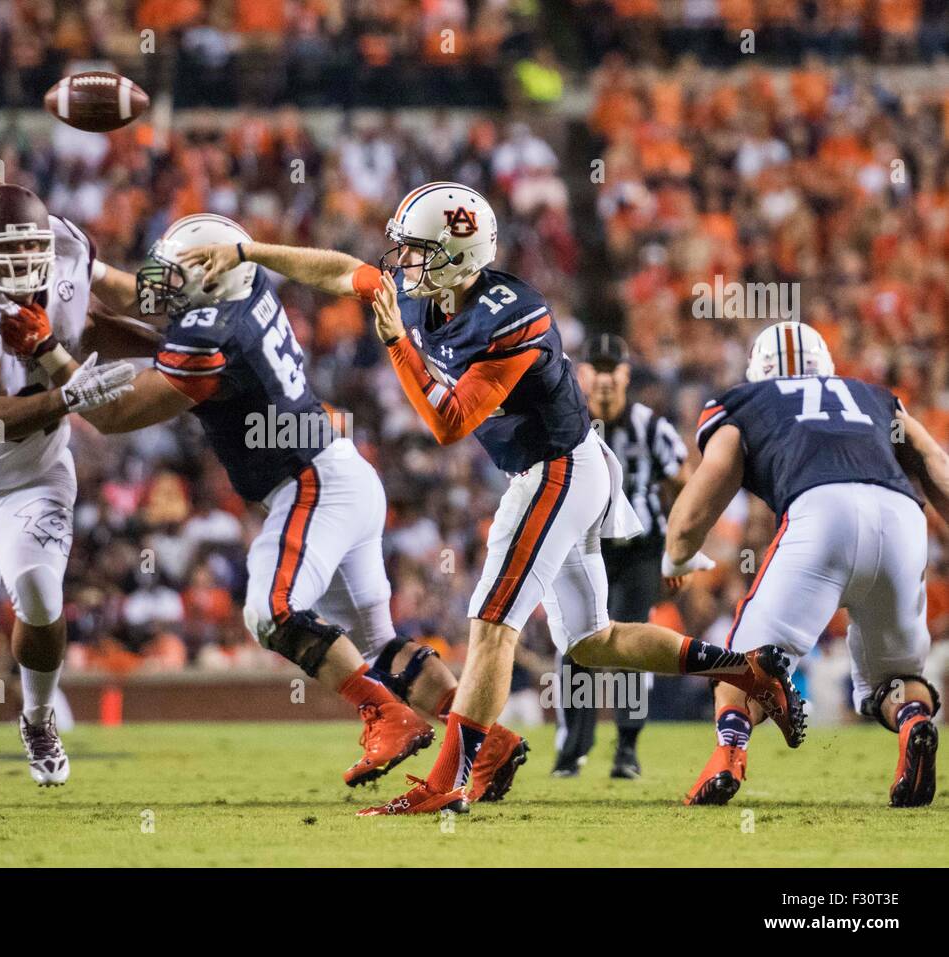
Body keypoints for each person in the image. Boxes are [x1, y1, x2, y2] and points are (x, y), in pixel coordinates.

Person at [181, 181, 805, 816]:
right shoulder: (431, 295)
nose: (404, 263)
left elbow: (449, 421)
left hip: (555, 470)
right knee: (592, 641)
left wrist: (398, 344)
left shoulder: (509, 314)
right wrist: (251, 252)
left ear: (458, 257)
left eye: (418, 251)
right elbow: (346, 272)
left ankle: (446, 782)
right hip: (556, 468)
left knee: (491, 626)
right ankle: (747, 672)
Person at [0, 212, 529, 800]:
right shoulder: (242, 280)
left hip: (311, 481)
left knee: (271, 611)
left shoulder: (211, 333)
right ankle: (486, 740)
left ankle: (386, 717)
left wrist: (49, 351)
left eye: (178, 274)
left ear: (207, 276)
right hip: (339, 470)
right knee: (379, 646)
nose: (162, 284)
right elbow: (152, 295)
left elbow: (113, 414)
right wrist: (89, 269)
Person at [0, 183, 135, 807]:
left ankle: (37, 720)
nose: (20, 265)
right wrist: (67, 397)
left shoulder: (68, 254)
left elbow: (100, 319)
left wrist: (176, 345)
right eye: (4, 252)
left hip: (35, 478)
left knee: (39, 595)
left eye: (30, 249)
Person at [667, 321, 944, 807]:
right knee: (893, 677)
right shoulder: (873, 397)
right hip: (902, 517)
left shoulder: (745, 401)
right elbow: (933, 461)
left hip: (820, 514)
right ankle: (914, 721)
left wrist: (679, 551)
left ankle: (729, 754)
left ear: (759, 370)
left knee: (741, 664)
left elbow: (709, 485)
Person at [551, 333, 689, 779]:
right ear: (583, 374)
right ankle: (573, 750)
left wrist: (679, 551)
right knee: (579, 646)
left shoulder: (652, 427)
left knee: (629, 643)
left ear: (625, 375)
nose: (606, 379)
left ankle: (627, 749)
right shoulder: (565, 423)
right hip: (584, 548)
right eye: (598, 369)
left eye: (614, 370)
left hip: (638, 551)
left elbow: (682, 486)